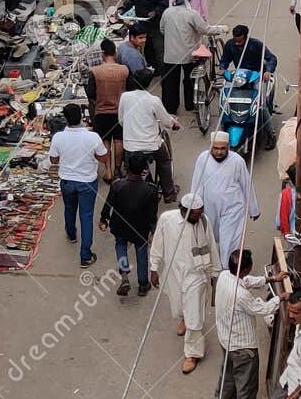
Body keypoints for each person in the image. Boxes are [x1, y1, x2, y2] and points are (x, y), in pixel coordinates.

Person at [149, 190, 220, 372]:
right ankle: (184, 319)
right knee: (179, 305)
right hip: (174, 272)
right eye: (195, 214)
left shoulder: (204, 222)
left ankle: (192, 354)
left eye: (201, 212)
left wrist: (216, 274)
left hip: (196, 274)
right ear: (183, 210)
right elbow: (157, 242)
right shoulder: (167, 219)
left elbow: (211, 245)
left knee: (195, 314)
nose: (200, 216)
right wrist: (154, 268)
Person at [215, 250, 280, 399]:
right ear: (247, 268)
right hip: (243, 346)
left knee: (228, 373)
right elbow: (262, 309)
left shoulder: (224, 276)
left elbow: (246, 281)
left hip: (226, 338)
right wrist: (279, 299)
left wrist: (270, 279)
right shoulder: (241, 295)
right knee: (247, 383)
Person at [48, 102, 108, 266]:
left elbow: (53, 160)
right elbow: (103, 158)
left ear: (65, 119)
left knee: (69, 208)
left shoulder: (58, 137)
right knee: (86, 216)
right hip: (87, 182)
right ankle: (85, 255)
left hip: (67, 181)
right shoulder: (92, 137)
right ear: (81, 117)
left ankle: (71, 234)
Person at [190, 131, 260, 267]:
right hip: (210, 208)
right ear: (211, 146)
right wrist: (193, 207)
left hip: (233, 208)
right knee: (212, 238)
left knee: (228, 241)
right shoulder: (202, 159)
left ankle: (226, 271)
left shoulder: (237, 161)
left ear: (228, 147)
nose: (219, 152)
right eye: (215, 148)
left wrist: (253, 209)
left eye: (222, 148)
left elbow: (247, 184)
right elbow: (196, 184)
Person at [99, 154, 160, 297]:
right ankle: (143, 284)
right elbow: (152, 213)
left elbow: (108, 204)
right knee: (141, 250)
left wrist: (104, 219)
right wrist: (153, 229)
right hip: (141, 227)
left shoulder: (117, 185)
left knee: (120, 245)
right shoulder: (150, 189)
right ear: (144, 169)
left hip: (120, 225)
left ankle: (124, 274)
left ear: (127, 168)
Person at [118, 70, 179, 202]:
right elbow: (166, 121)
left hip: (130, 146)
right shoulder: (153, 100)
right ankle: (169, 193)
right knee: (164, 161)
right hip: (151, 146)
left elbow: (121, 121)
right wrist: (174, 124)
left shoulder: (125, 97)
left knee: (130, 169)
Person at [83, 39, 128, 179]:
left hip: (101, 112)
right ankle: (117, 169)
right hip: (119, 111)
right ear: (115, 52)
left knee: (105, 141)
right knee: (118, 140)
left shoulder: (95, 72)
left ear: (102, 53)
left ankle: (108, 172)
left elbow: (90, 93)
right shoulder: (124, 70)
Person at [159, 0, 208, 115]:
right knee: (190, 79)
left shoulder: (167, 12)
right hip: (189, 54)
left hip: (170, 55)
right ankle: (190, 104)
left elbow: (162, 29)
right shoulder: (192, 14)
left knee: (170, 82)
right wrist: (220, 29)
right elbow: (204, 29)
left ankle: (170, 108)